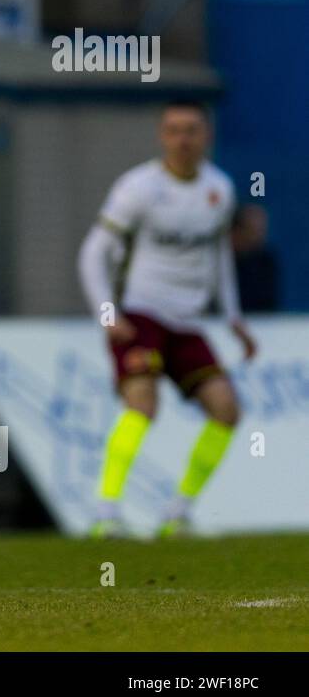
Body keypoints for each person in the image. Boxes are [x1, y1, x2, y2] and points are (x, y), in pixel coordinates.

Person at [77, 100, 255, 539]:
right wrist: (107, 313)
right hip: (140, 315)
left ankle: (178, 512)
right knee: (142, 403)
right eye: (174, 130)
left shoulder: (219, 189)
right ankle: (106, 512)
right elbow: (92, 253)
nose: (183, 139)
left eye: (192, 130)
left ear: (206, 135)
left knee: (226, 409)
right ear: (162, 136)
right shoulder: (138, 188)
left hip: (187, 322)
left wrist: (233, 317)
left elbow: (219, 258)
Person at [231, 203, 280, 312]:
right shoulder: (221, 262)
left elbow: (268, 305)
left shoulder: (266, 262)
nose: (260, 236)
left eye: (262, 230)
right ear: (237, 230)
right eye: (254, 231)